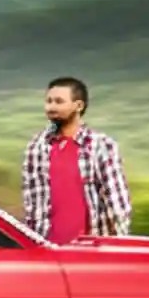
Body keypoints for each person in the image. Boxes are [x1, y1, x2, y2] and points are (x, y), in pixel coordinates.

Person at [22, 76, 132, 244]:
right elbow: (32, 205)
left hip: (89, 250)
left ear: (78, 106)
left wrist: (117, 245)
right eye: (49, 101)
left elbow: (116, 203)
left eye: (59, 102)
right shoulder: (36, 147)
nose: (51, 107)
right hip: (48, 248)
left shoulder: (100, 145)